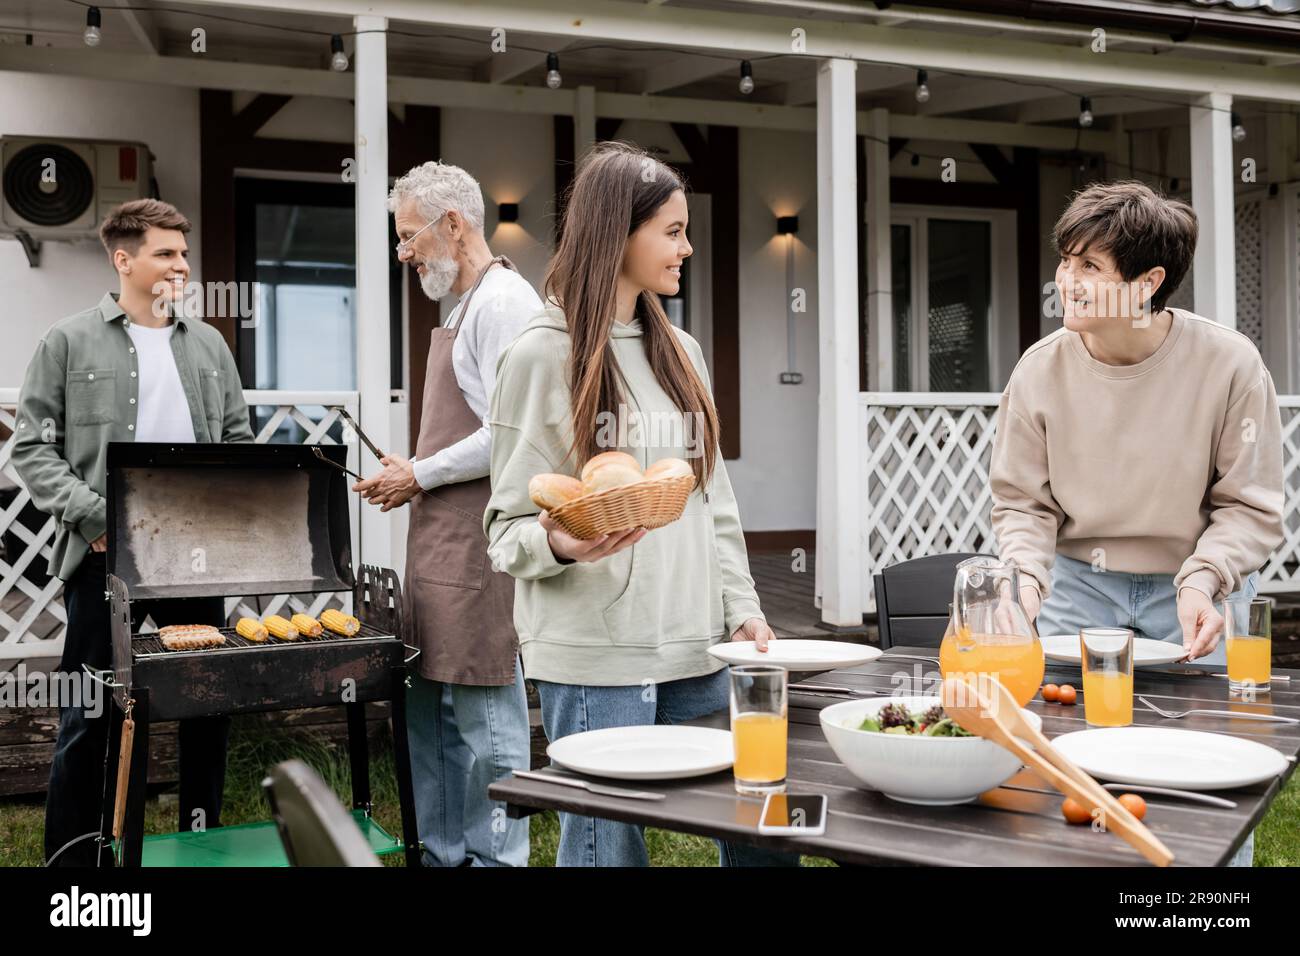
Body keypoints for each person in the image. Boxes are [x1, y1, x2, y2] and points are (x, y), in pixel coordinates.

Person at [484, 141, 797, 867]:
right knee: (605, 854)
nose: (688, 247)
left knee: (763, 822)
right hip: (598, 658)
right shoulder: (539, 354)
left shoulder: (680, 349)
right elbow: (505, 530)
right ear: (616, 232)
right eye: (673, 231)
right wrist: (560, 543)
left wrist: (742, 607)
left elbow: (714, 498)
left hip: (699, 647)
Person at [990, 180, 1284, 866]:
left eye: (1090, 266)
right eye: (1066, 261)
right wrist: (1026, 582)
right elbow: (1023, 504)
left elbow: (1249, 503)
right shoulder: (1040, 370)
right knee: (1058, 763)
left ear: (1149, 281)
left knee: (1207, 769)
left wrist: (1203, 581)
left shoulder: (1230, 364)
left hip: (1193, 596)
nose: (1068, 281)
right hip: (1075, 588)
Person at [13, 198, 252, 865]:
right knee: (91, 712)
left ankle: (202, 849)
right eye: (166, 253)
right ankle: (73, 861)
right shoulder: (67, 341)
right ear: (124, 259)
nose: (182, 264)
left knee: (205, 708)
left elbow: (237, 441)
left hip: (195, 556)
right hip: (103, 553)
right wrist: (94, 518)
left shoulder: (209, 344)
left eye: (183, 251)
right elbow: (31, 448)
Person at [353, 161, 539, 867]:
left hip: (480, 547)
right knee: (430, 711)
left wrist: (417, 474)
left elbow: (510, 435)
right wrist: (417, 471)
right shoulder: (463, 306)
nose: (403, 252)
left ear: (453, 225)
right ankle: (439, 852)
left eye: (408, 236)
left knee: (487, 719)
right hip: (441, 541)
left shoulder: (505, 305)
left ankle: (497, 859)